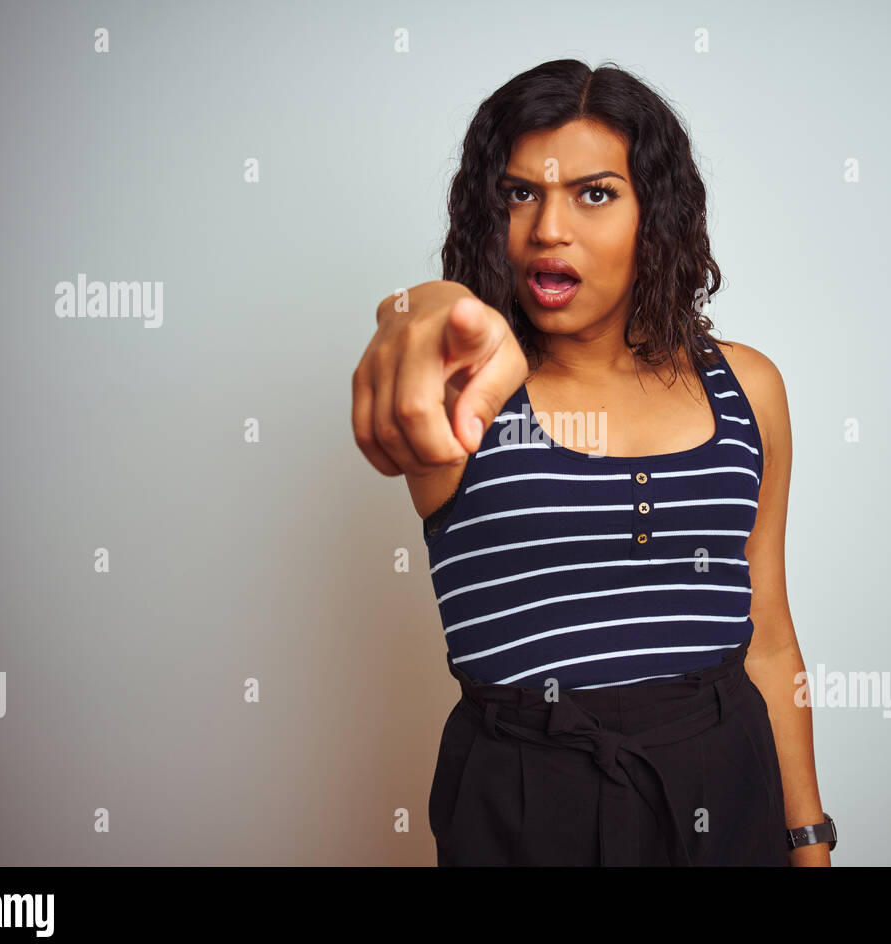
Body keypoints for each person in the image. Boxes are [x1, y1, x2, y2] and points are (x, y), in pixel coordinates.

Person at [353, 59, 834, 866]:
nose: (548, 228)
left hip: (729, 784)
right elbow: (415, 319)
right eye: (519, 193)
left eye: (595, 193)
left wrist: (809, 839)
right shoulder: (465, 387)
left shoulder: (747, 387)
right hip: (526, 802)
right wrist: (432, 308)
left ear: (657, 212)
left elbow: (771, 637)